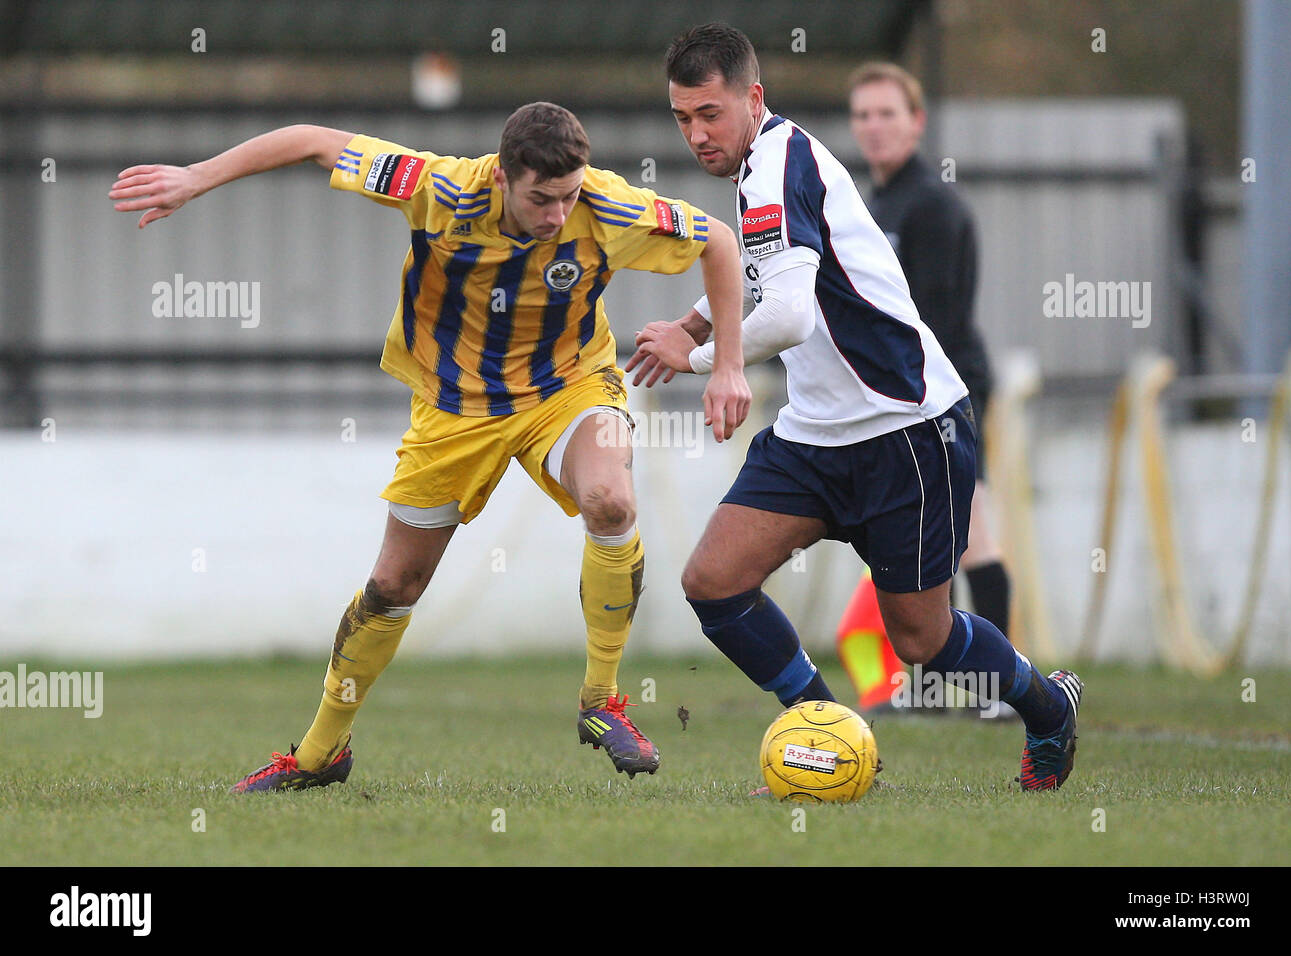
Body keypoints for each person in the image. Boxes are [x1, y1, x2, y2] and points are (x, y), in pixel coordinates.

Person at [109, 102, 750, 790]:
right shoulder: (439, 187)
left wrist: (728, 364)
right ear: (502, 178)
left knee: (611, 501)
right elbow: (311, 141)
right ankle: (319, 755)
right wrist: (195, 178)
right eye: (541, 198)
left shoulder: (609, 208)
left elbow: (718, 240)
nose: (559, 215)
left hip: (567, 390)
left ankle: (602, 702)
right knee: (394, 585)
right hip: (453, 410)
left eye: (568, 197)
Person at [627, 24, 1081, 790]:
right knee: (714, 580)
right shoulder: (763, 164)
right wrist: (696, 321)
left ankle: (1047, 708)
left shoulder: (775, 168)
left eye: (709, 114)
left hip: (906, 429)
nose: (697, 134)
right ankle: (833, 733)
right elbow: (758, 271)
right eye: (682, 119)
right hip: (815, 434)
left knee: (921, 641)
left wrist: (708, 359)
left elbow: (792, 315)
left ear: (753, 98)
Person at [837, 62, 1013, 715]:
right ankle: (935, 687)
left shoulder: (934, 207)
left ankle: (1000, 689)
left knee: (971, 532)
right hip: (899, 393)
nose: (874, 127)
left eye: (887, 113)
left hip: (946, 390)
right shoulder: (871, 203)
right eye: (863, 115)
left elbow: (934, 319)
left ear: (917, 121)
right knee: (925, 538)